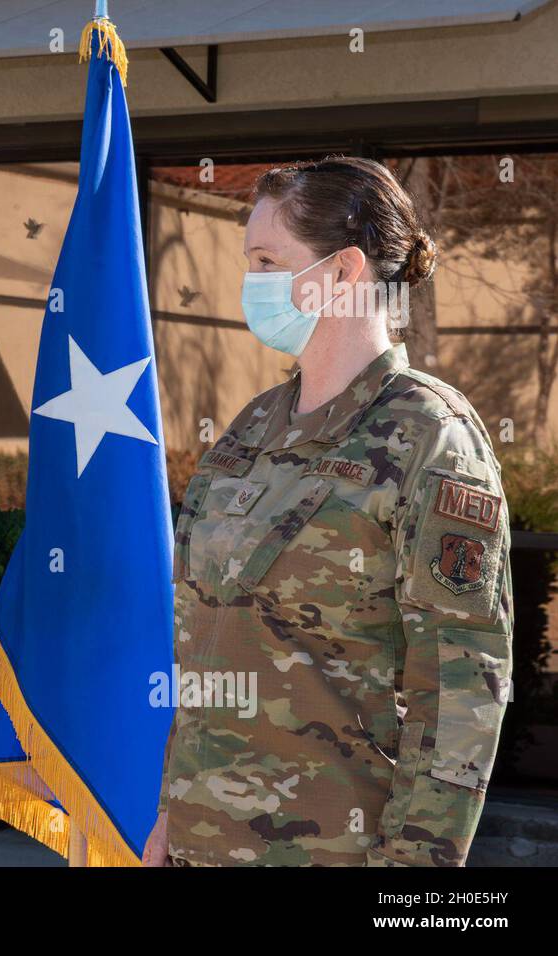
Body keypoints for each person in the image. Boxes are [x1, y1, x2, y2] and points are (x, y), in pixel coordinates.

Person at [143, 157, 512, 867]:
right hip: (201, 842)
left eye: (266, 260)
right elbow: (206, 644)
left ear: (344, 273)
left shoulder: (429, 436)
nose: (250, 283)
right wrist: (173, 810)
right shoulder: (249, 430)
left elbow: (462, 688)